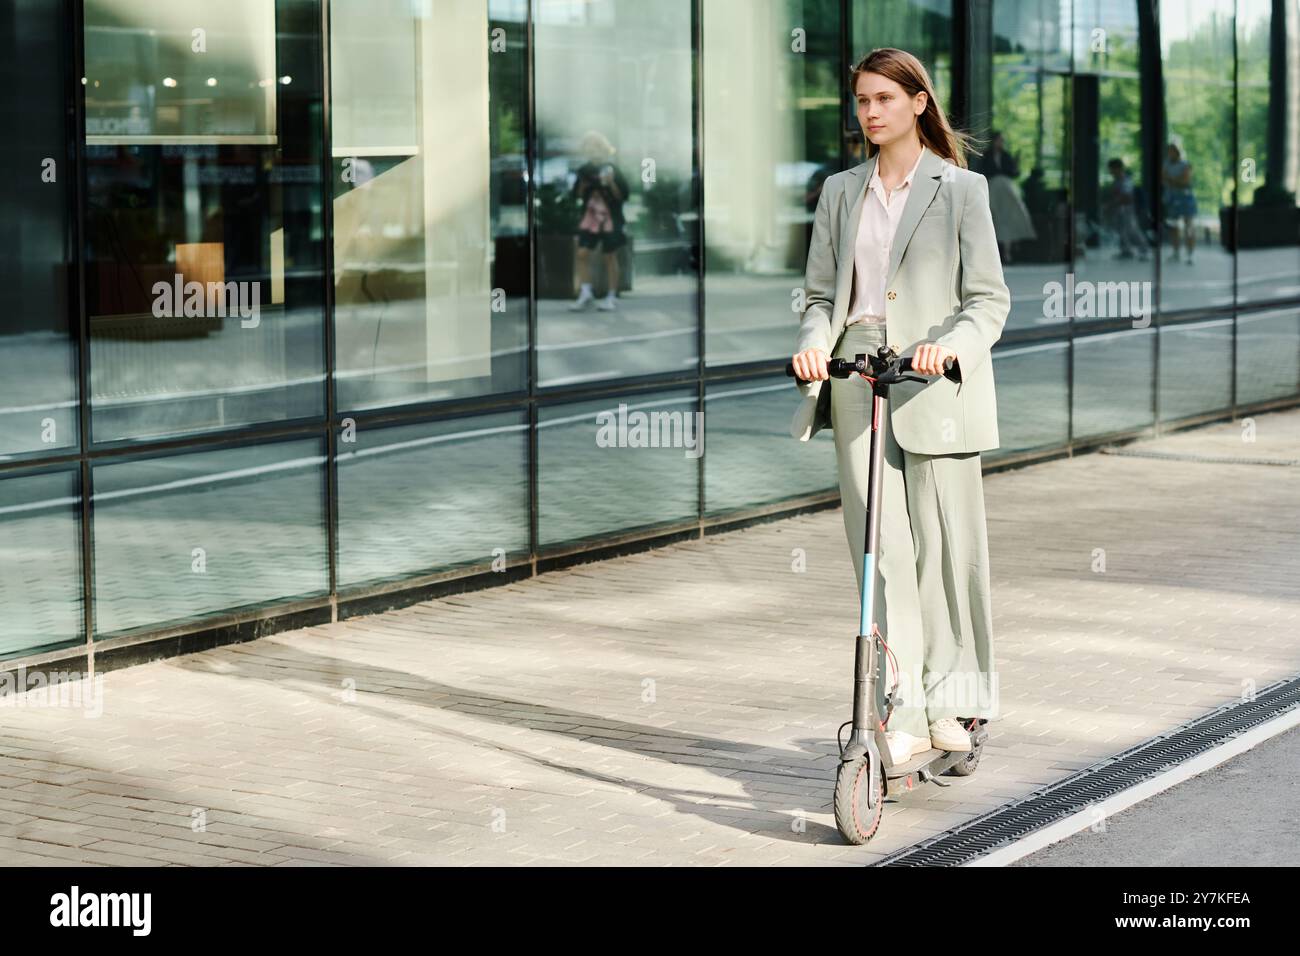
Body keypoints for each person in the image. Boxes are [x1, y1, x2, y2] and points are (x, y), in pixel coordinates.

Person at [788, 48, 1007, 765]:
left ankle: (956, 704)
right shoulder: (839, 191)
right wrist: (813, 344)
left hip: (933, 376)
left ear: (918, 102)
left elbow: (988, 301)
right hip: (857, 372)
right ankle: (904, 707)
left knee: (947, 550)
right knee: (882, 554)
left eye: (884, 98)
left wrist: (951, 349)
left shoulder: (963, 191)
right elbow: (822, 295)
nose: (870, 112)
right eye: (861, 101)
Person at [569, 131, 631, 312]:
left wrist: (610, 182)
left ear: (603, 148)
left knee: (609, 256)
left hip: (610, 218)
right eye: (588, 147)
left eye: (595, 146)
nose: (592, 150)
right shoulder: (584, 171)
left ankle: (611, 296)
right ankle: (586, 292)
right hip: (590, 218)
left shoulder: (612, 168)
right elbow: (577, 195)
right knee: (582, 253)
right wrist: (584, 184)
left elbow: (623, 196)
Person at [973, 130, 1036, 263]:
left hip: (1006, 191)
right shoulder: (986, 156)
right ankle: (995, 253)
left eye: (1002, 141)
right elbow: (981, 172)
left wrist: (1016, 163)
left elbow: (1014, 173)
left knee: (1008, 218)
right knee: (994, 217)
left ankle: (1008, 252)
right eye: (999, 140)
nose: (1001, 143)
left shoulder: (1006, 156)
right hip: (993, 190)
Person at [1102, 158, 1149, 260]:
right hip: (1119, 210)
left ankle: (1144, 249)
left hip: (1127, 210)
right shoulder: (1117, 181)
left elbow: (1127, 196)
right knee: (1121, 230)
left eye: (1112, 169)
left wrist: (1111, 204)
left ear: (1118, 168)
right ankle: (1126, 250)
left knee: (1132, 229)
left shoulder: (1125, 180)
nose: (1110, 172)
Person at [1161, 141, 1197, 264]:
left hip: (1185, 198)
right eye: (1168, 151)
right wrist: (1175, 180)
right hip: (1171, 198)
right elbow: (1163, 178)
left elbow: (1185, 181)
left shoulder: (1185, 164)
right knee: (1173, 226)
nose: (1170, 154)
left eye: (1172, 151)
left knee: (1189, 226)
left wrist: (1171, 180)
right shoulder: (1166, 165)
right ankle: (1176, 252)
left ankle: (1190, 254)